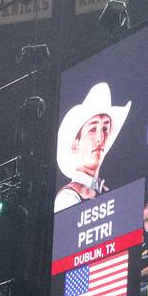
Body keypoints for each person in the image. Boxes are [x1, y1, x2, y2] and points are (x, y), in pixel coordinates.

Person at [55, 81, 131, 211]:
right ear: (75, 145)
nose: (101, 137)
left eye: (105, 128)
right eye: (92, 130)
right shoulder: (68, 197)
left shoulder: (107, 190)